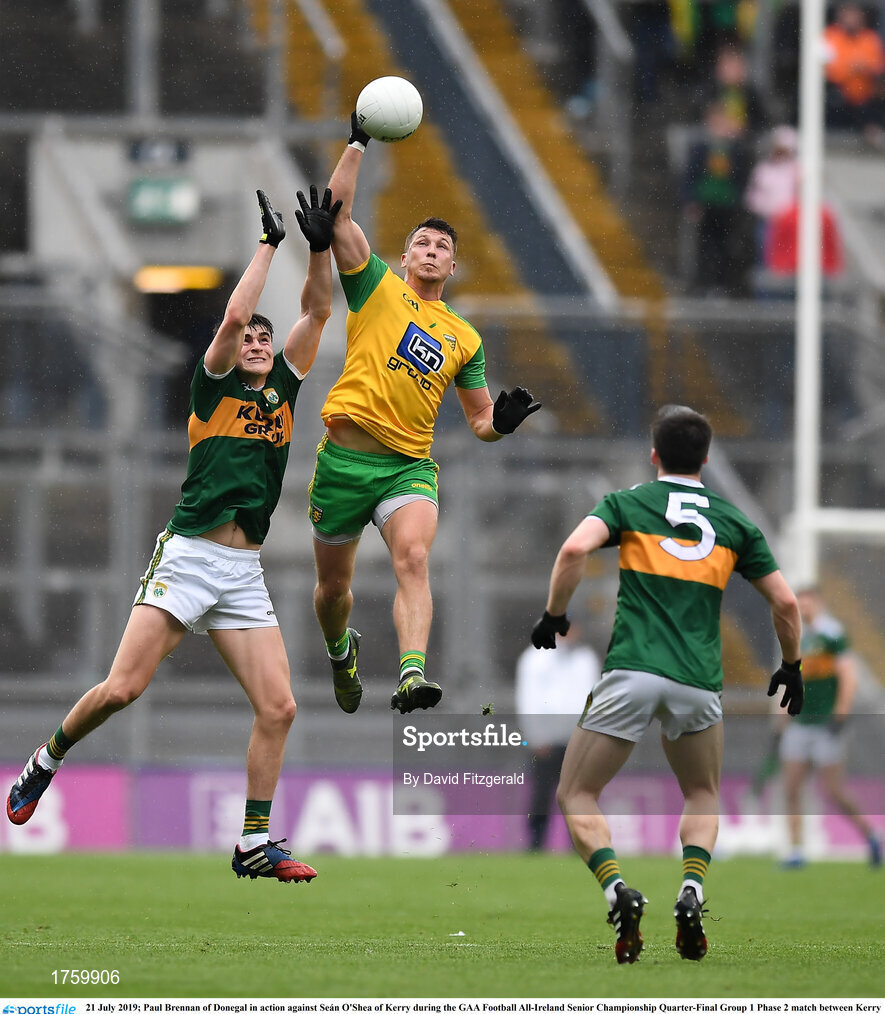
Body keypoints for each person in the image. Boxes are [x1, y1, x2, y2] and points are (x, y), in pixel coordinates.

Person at [7, 186, 342, 884]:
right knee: (122, 689)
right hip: (189, 557)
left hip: (243, 571)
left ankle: (253, 843)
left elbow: (316, 311)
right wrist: (268, 246)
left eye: (264, 338)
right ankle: (46, 759)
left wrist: (320, 249)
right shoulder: (213, 386)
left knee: (279, 707)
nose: (257, 341)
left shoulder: (282, 389)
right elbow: (234, 315)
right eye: (250, 339)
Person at [531, 404, 802, 964]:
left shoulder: (628, 503)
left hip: (632, 669)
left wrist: (555, 613)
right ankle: (692, 889)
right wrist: (792, 664)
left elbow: (574, 549)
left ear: (654, 454)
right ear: (706, 457)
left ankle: (617, 891)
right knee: (701, 792)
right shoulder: (735, 523)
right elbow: (785, 602)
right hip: (697, 680)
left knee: (575, 793)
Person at [310, 111, 541, 717]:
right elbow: (337, 217)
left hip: (406, 469)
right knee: (332, 591)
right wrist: (358, 140)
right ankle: (340, 652)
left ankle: (412, 674)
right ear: (405, 255)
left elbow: (481, 421)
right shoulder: (375, 285)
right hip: (342, 463)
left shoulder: (465, 337)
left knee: (413, 560)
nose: (433, 251)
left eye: (443, 247)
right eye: (423, 243)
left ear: (453, 267)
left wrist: (503, 423)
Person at [778, 586, 882, 869]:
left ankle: (870, 834)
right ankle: (796, 851)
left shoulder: (832, 634)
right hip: (801, 724)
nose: (803, 608)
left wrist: (841, 714)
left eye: (807, 603)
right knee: (791, 788)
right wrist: (783, 717)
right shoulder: (799, 637)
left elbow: (848, 675)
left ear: (818, 603)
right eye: (800, 604)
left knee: (834, 790)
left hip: (826, 723)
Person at [515, 622, 600, 851]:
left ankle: (580, 845)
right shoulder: (534, 658)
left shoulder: (585, 659)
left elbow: (593, 699)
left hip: (577, 740)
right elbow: (528, 699)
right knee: (542, 794)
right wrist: (536, 736)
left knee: (579, 795)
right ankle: (536, 845)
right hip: (547, 740)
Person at [823, 2, 885, 142]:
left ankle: (872, 130)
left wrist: (864, 68)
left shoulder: (870, 38)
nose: (852, 19)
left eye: (855, 15)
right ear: (840, 16)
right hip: (839, 93)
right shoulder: (830, 36)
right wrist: (851, 69)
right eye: (848, 15)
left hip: (865, 95)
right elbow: (828, 70)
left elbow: (878, 66)